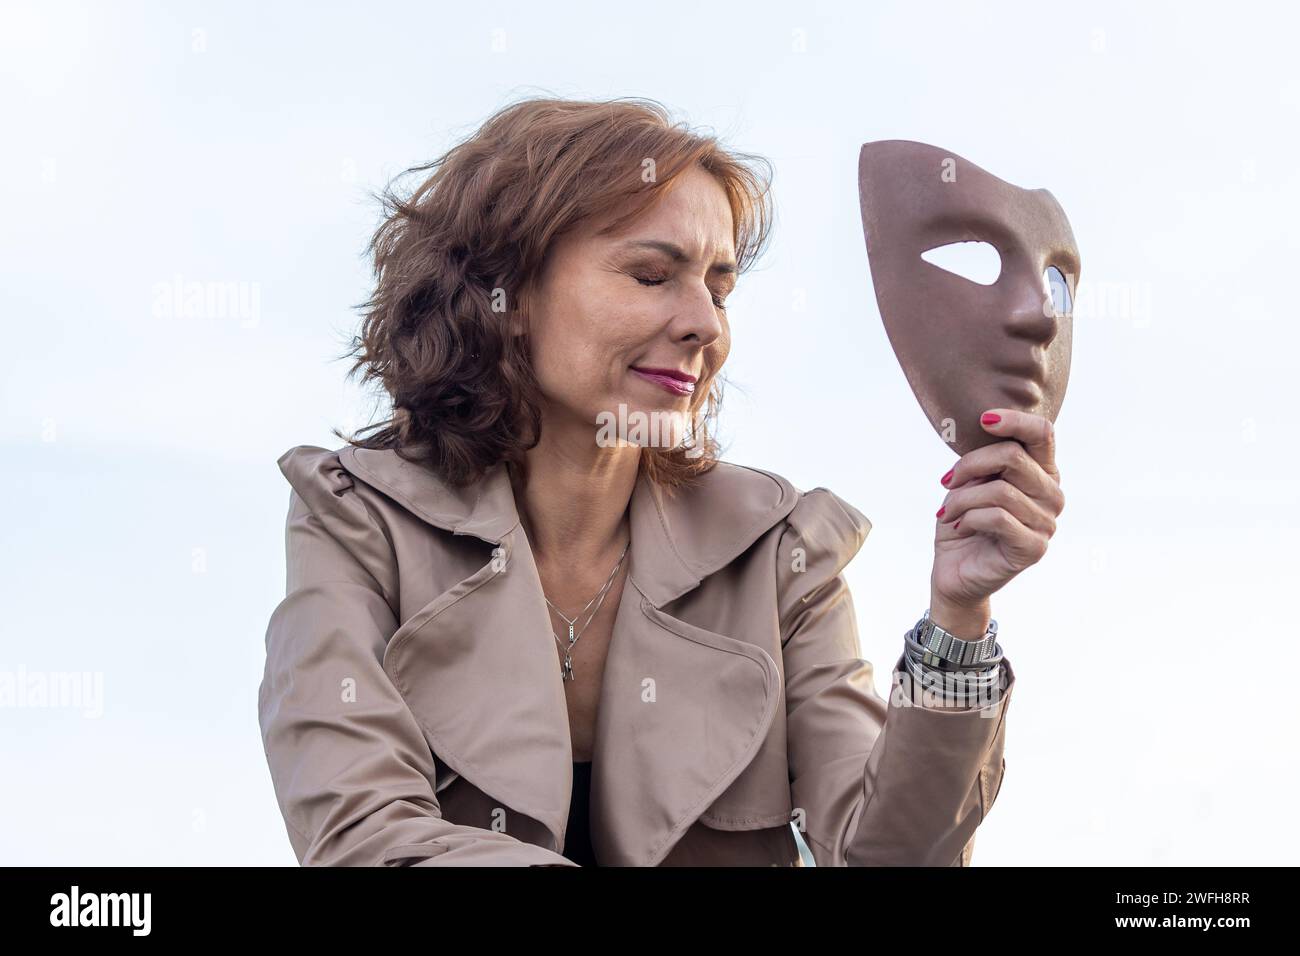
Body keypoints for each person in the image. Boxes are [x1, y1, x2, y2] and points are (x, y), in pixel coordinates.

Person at [257, 96, 1064, 867]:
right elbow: (363, 834)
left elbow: (888, 858)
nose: (705, 325)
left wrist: (959, 619)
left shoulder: (781, 550)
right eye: (652, 275)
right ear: (506, 297)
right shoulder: (356, 518)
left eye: (719, 288)